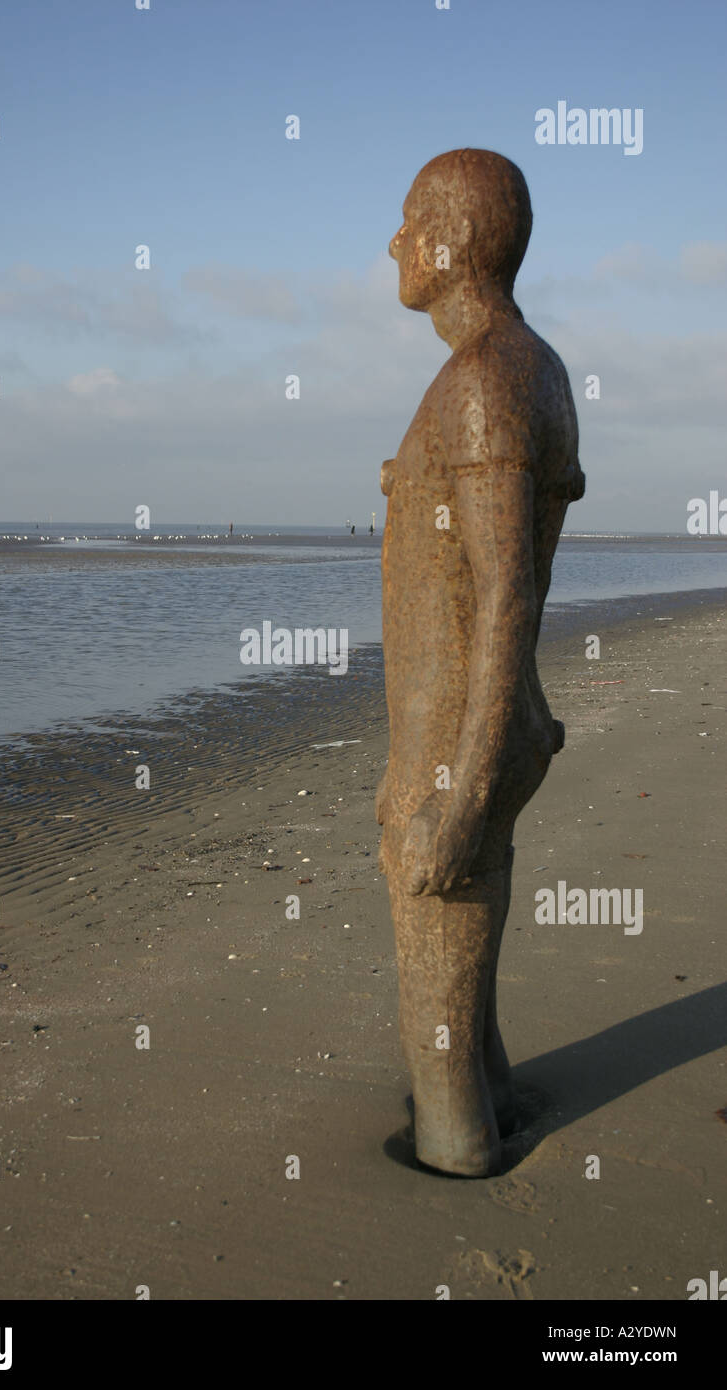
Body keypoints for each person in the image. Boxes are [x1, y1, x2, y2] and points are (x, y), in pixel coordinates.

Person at [377, 149, 585, 1175]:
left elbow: (503, 589)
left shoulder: (481, 381)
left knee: (435, 967)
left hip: (459, 737)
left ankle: (453, 1151)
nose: (395, 243)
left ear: (452, 241)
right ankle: (491, 1093)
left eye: (411, 222)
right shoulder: (530, 367)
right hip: (494, 722)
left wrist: (456, 801)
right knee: (466, 964)